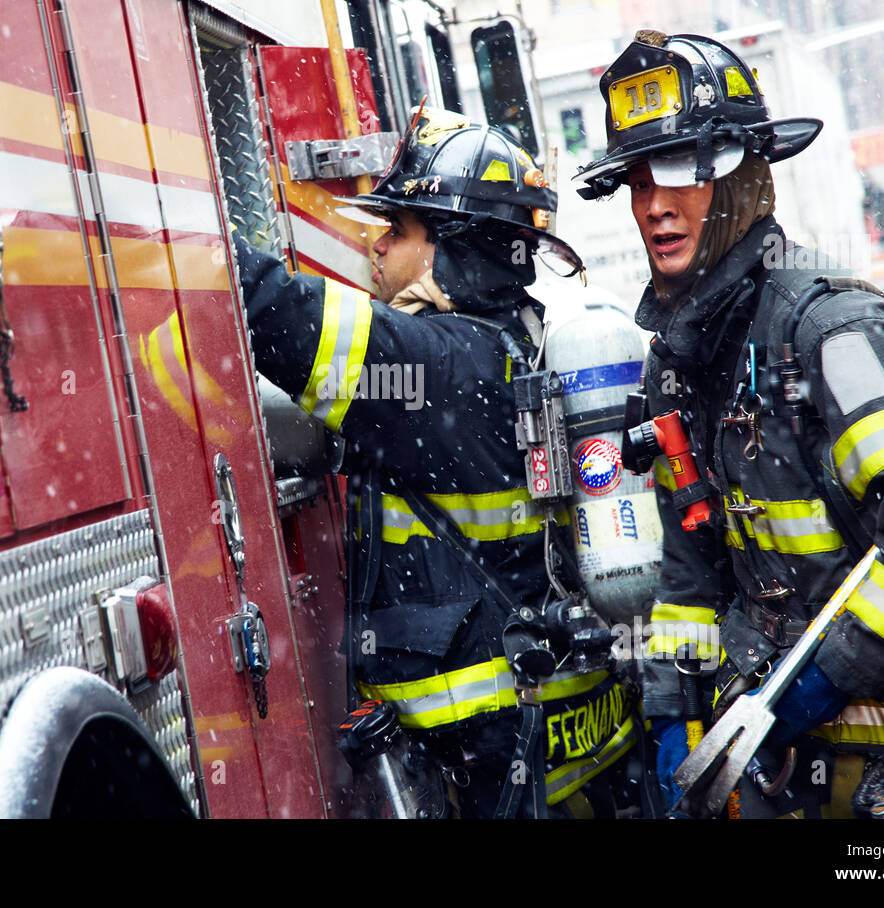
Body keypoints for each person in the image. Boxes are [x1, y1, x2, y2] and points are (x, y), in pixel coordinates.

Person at [575, 30, 884, 818]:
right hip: (797, 774)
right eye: (637, 180)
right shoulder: (681, 366)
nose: (653, 205)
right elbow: (690, 572)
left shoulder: (834, 332)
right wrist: (674, 715)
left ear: (745, 178)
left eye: (682, 170)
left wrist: (818, 681)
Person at [234, 107, 636, 817]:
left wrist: (177, 228)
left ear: (453, 248)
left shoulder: (446, 366)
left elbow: (284, 314)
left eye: (399, 230)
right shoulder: (519, 344)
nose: (377, 246)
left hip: (493, 758)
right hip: (551, 746)